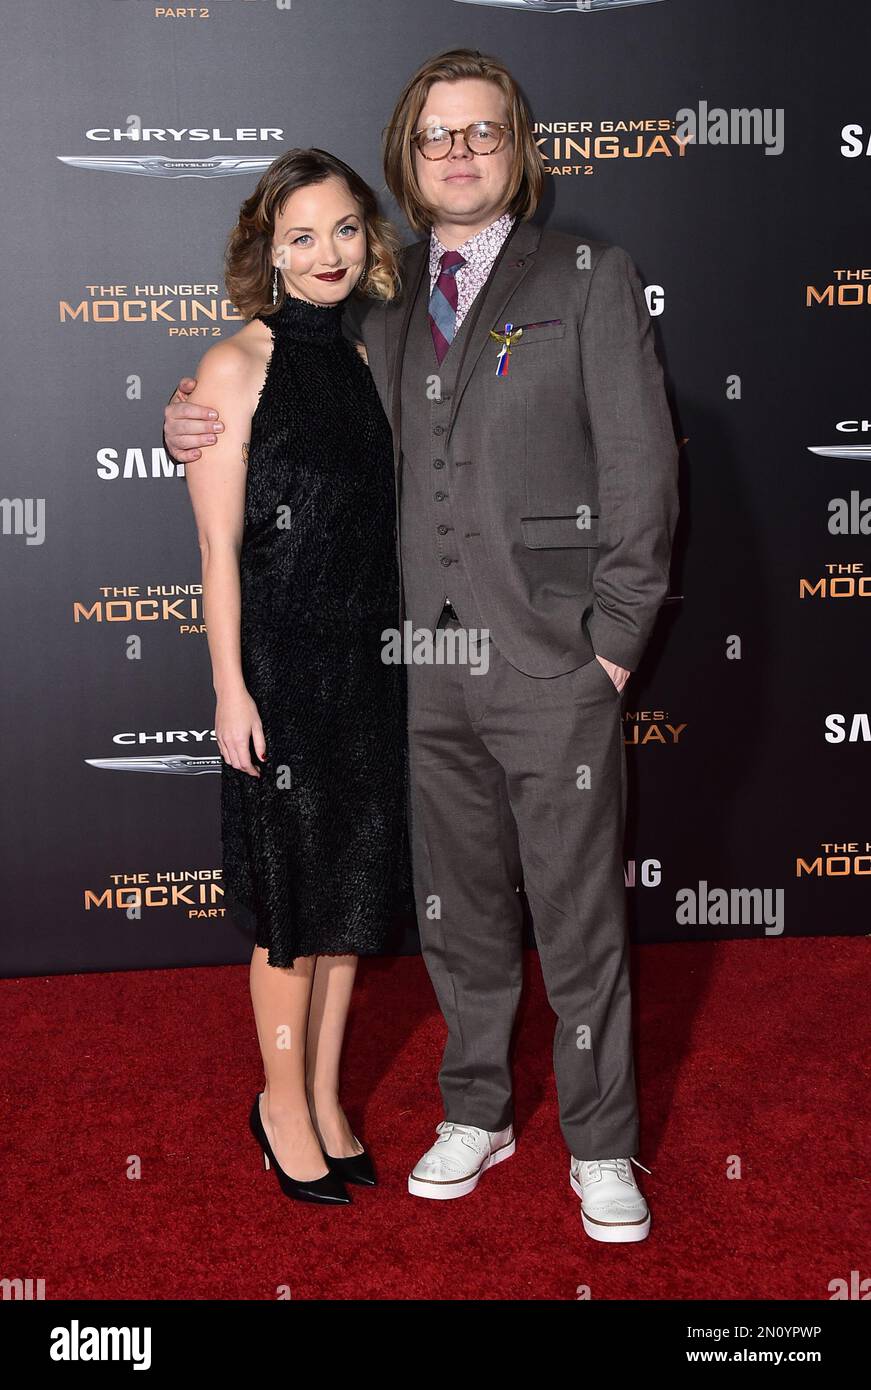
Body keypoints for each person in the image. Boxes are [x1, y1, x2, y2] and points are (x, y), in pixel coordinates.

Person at [165, 48, 679, 1243]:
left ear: (519, 149)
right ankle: (478, 1109)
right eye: (436, 135)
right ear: (410, 155)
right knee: (454, 913)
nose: (458, 152)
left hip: (555, 664)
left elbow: (644, 471)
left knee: (578, 918)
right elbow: (275, 400)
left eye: (481, 132)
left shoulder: (590, 275)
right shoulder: (379, 315)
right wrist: (190, 411)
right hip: (417, 675)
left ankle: (601, 1145)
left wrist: (611, 642)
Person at [180, 147, 410, 1206]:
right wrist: (231, 688)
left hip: (369, 667)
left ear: (369, 238)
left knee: (349, 903)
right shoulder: (235, 365)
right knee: (289, 907)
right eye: (302, 236)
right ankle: (278, 1104)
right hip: (279, 668)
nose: (327, 253)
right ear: (270, 252)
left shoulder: (366, 360)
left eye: (344, 230)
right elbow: (218, 550)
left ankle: (323, 1095)